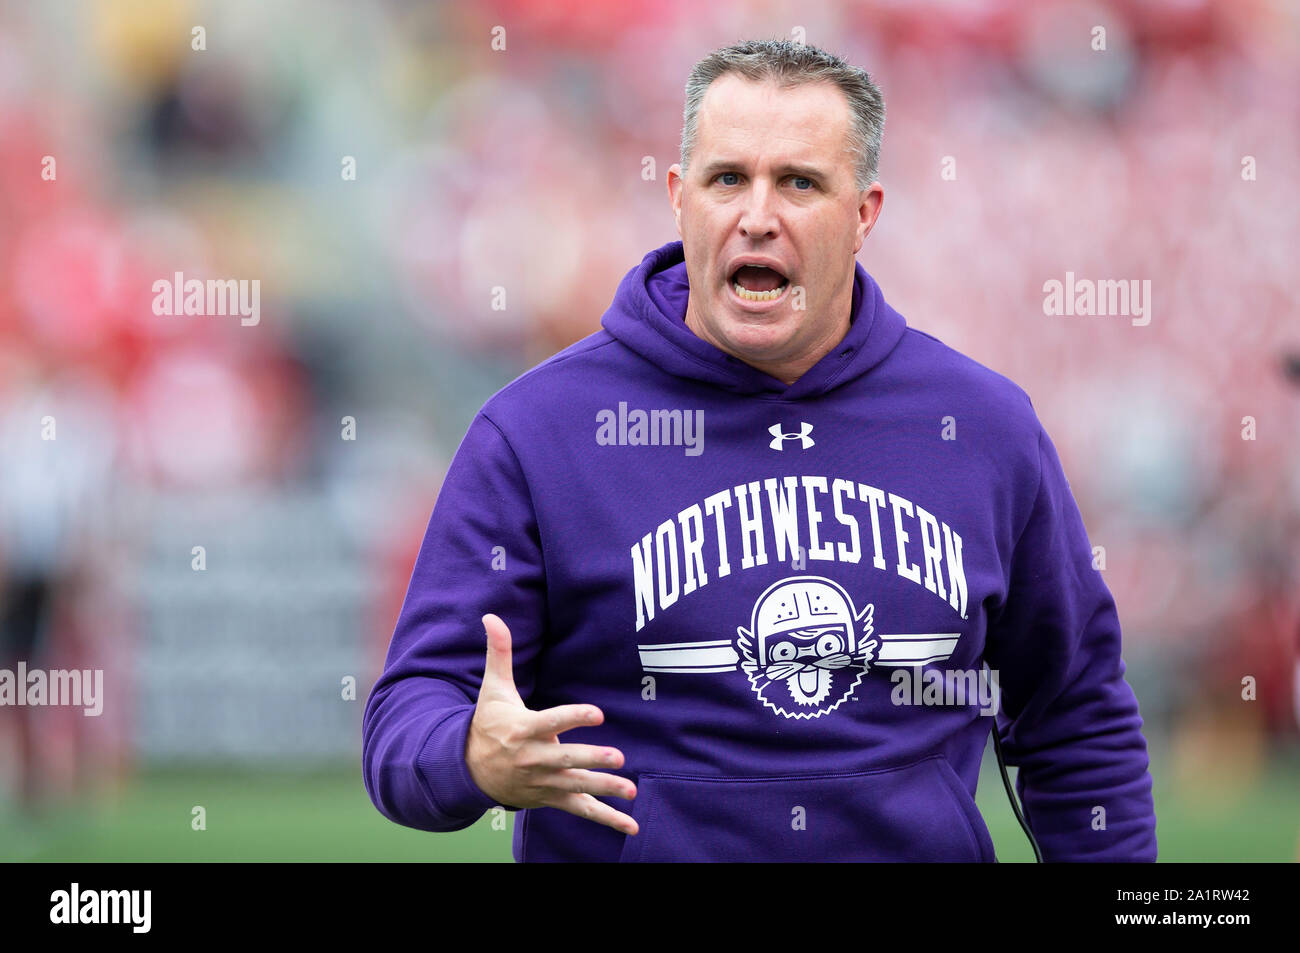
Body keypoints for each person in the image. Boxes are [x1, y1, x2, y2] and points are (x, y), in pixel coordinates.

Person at [362, 38, 1158, 862]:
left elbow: (1077, 716)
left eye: (800, 182)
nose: (756, 216)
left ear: (865, 213)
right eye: (727, 178)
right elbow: (405, 717)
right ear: (680, 199)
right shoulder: (536, 432)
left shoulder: (985, 428)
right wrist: (464, 754)